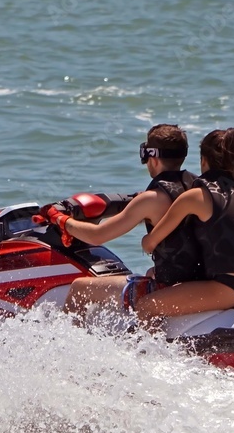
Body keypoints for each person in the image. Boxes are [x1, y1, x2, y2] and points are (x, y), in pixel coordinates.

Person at [35, 124, 205, 320]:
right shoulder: (198, 187)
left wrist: (60, 219)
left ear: (151, 157)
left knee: (79, 288)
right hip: (199, 281)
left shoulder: (151, 199)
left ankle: (69, 340)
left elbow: (97, 236)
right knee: (150, 271)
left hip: (170, 287)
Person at [138, 127, 234, 325]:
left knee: (146, 306)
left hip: (231, 288)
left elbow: (150, 243)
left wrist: (145, 229)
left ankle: (150, 347)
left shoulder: (196, 196)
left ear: (204, 161)